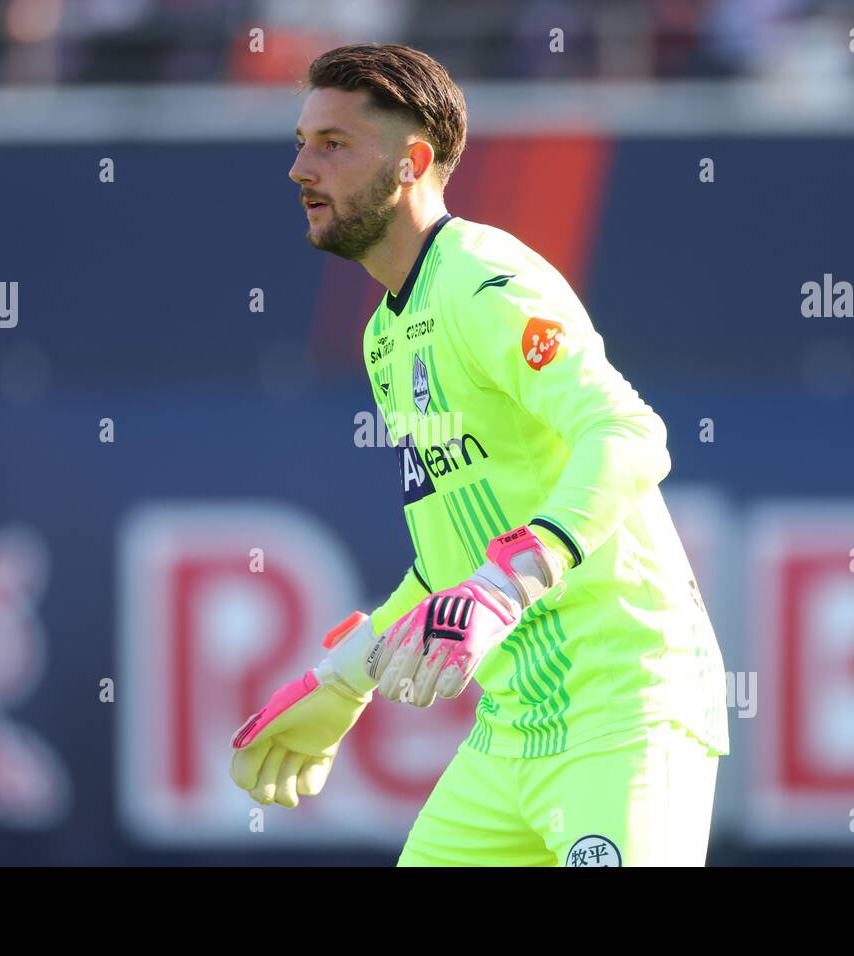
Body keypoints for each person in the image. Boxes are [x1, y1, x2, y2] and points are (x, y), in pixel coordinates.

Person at [230, 42, 729, 867]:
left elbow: (630, 433)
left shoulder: (484, 278)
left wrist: (507, 582)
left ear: (411, 163)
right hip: (509, 733)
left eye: (333, 144)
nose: (299, 168)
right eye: (301, 141)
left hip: (624, 710)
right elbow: (447, 562)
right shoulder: (384, 335)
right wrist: (346, 675)